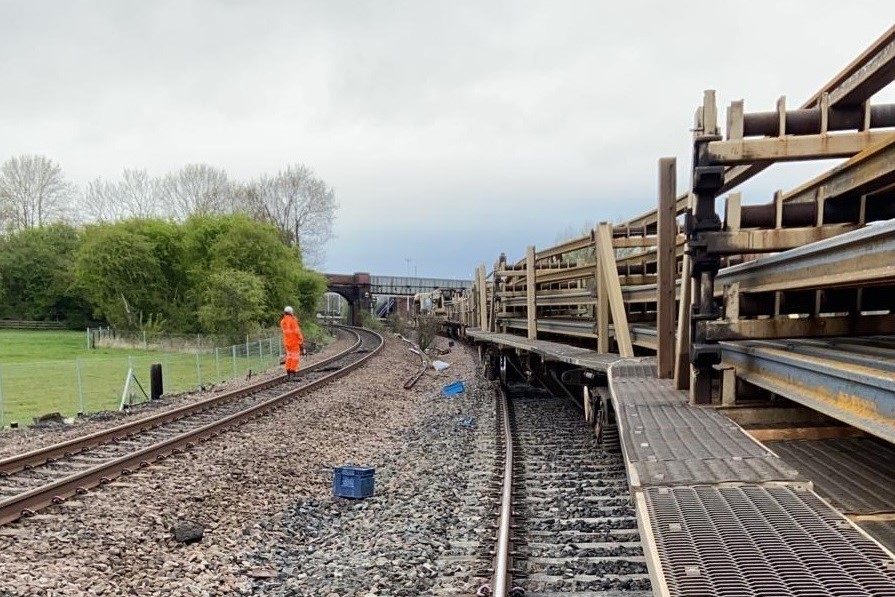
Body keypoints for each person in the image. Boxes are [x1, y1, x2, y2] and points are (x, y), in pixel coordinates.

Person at [280, 306, 304, 379]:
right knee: (295, 357)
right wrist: (301, 340)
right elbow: (297, 332)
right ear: (291, 312)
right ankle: (292, 372)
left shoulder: (282, 321)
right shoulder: (292, 321)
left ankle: (288, 371)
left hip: (287, 342)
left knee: (289, 356)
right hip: (294, 342)